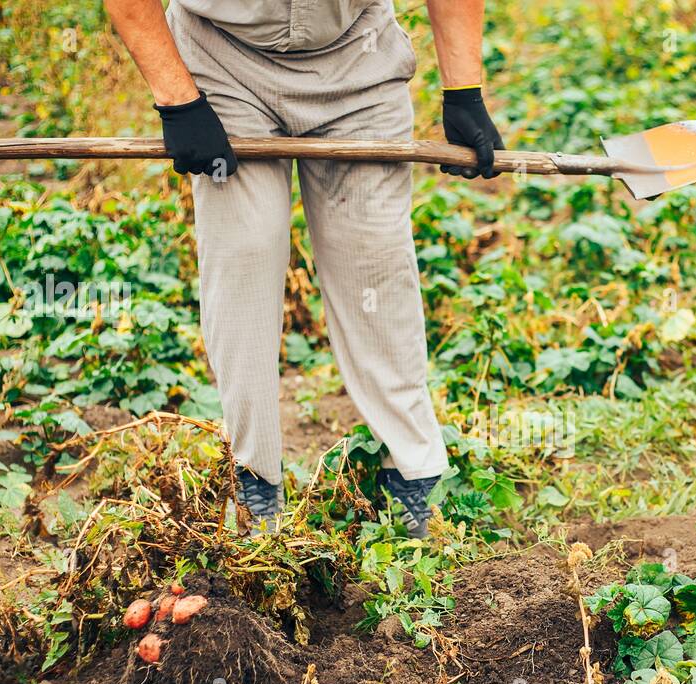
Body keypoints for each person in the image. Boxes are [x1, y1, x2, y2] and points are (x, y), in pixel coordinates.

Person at [103, 0, 504, 536]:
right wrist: (179, 101)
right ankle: (255, 482)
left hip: (357, 60)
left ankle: (412, 472)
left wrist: (464, 92)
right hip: (222, 62)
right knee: (244, 256)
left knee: (376, 266)